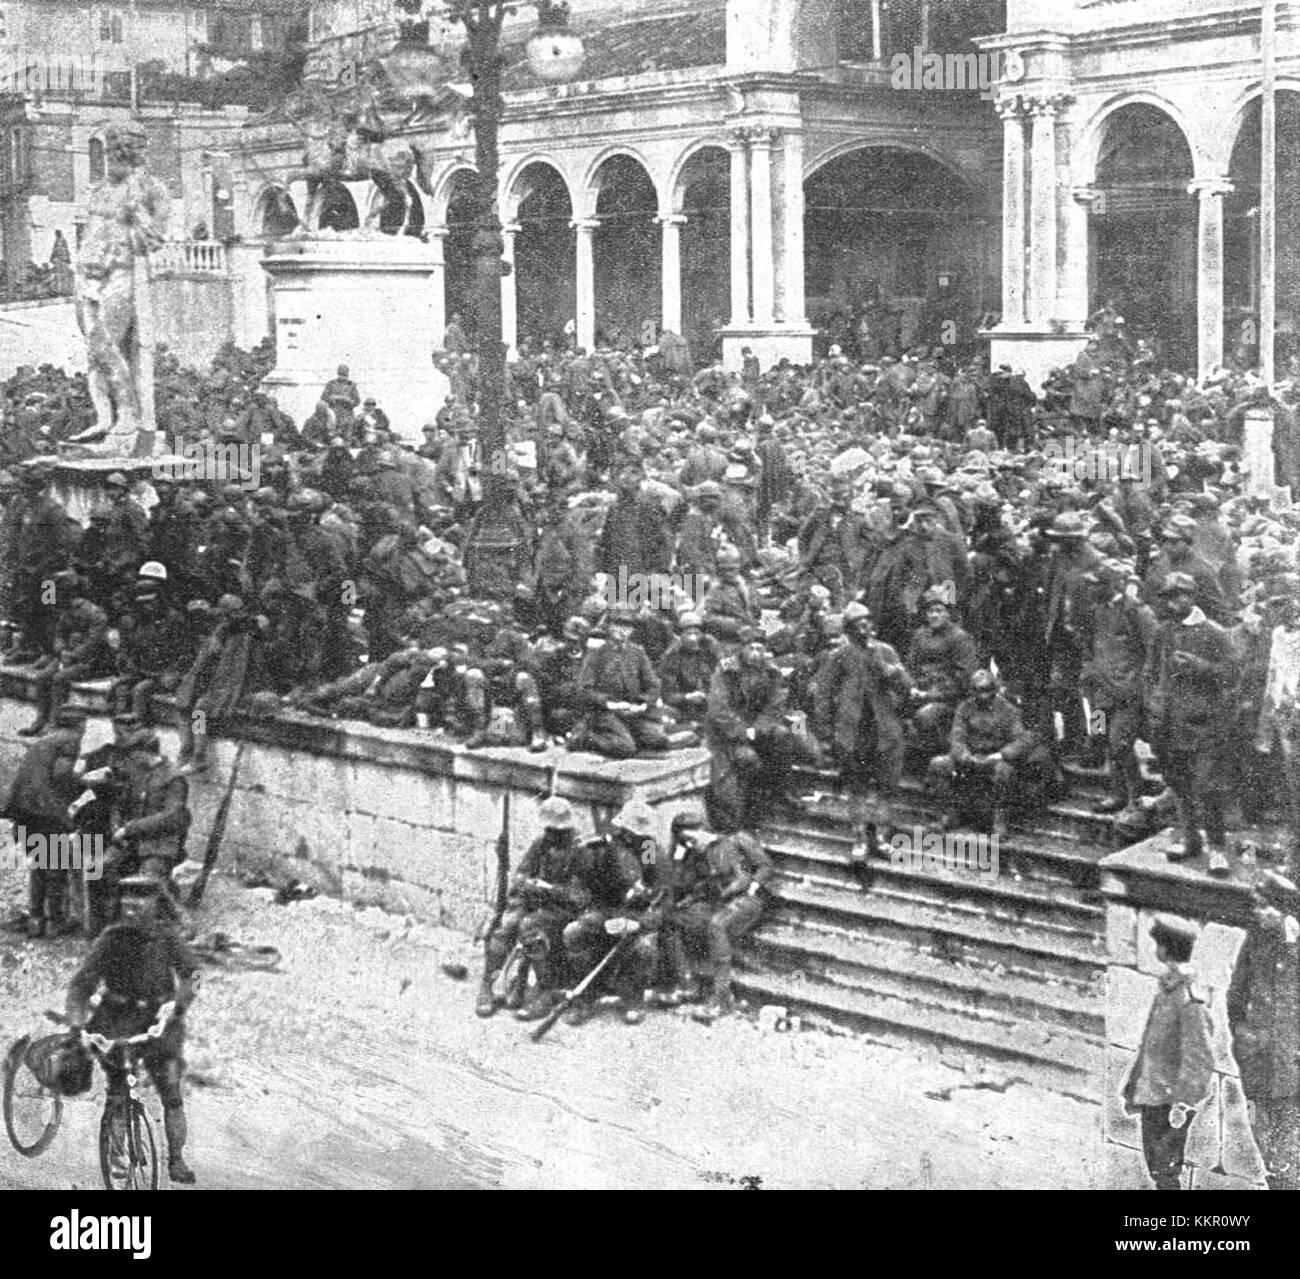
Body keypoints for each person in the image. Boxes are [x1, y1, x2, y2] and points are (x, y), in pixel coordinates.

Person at [65, 874, 199, 1184]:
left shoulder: (167, 937)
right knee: (118, 1091)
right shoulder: (111, 938)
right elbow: (80, 985)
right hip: (116, 1019)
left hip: (160, 1022)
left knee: (171, 1092)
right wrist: (77, 1026)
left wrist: (177, 1005)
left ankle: (176, 1159)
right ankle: (117, 1153)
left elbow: (196, 975)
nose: (130, 905)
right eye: (126, 898)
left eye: (140, 898)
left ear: (155, 903)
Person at [1142, 571, 1238, 873]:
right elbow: (1150, 672)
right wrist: (1153, 705)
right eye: (1168, 597)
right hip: (1170, 724)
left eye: (1179, 596)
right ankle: (1189, 837)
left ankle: (1218, 847)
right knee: (1178, 783)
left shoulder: (1215, 633)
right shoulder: (1163, 632)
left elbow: (1233, 675)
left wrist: (1201, 667)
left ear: (1193, 596)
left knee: (1208, 788)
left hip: (1205, 725)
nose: (1173, 603)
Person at [476, 796, 591, 1021]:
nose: (552, 834)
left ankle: (545, 990)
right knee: (506, 927)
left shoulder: (581, 851)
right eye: (549, 829)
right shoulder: (542, 843)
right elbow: (521, 874)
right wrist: (528, 884)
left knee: (531, 928)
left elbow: (577, 897)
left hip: (564, 910)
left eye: (558, 830)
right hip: (536, 901)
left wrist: (545, 889)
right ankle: (490, 984)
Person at [814, 601, 912, 862]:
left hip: (885, 730)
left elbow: (906, 687)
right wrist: (825, 731)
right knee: (856, 788)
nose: (865, 628)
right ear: (848, 629)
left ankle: (880, 837)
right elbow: (822, 693)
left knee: (886, 788)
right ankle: (859, 839)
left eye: (868, 622)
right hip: (852, 732)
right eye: (858, 624)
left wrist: (886, 667)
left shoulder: (886, 651)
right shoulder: (839, 656)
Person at [1122, 916, 1214, 1191]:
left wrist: (1183, 1104)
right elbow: (1151, 1046)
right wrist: (1133, 1088)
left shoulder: (1188, 997)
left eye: (1158, 944)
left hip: (1171, 1101)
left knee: (1166, 1171)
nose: (1154, 950)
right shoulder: (1167, 987)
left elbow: (1199, 1058)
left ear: (1167, 948)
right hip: (1153, 1094)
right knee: (1157, 1168)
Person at [561, 800, 662, 1026]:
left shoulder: (647, 848)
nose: (637, 838)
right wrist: (587, 909)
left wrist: (639, 923)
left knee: (644, 947)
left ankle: (634, 999)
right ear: (623, 829)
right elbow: (579, 886)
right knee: (574, 933)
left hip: (636, 915)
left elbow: (660, 897)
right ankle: (587, 995)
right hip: (605, 911)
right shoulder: (600, 849)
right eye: (632, 833)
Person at [2, 705, 87, 937]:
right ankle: (56, 921)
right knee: (56, 865)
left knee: (40, 863)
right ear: (79, 725)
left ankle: (36, 919)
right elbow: (61, 775)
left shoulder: (46, 739)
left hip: (23, 809)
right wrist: (85, 782)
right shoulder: (71, 740)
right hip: (44, 809)